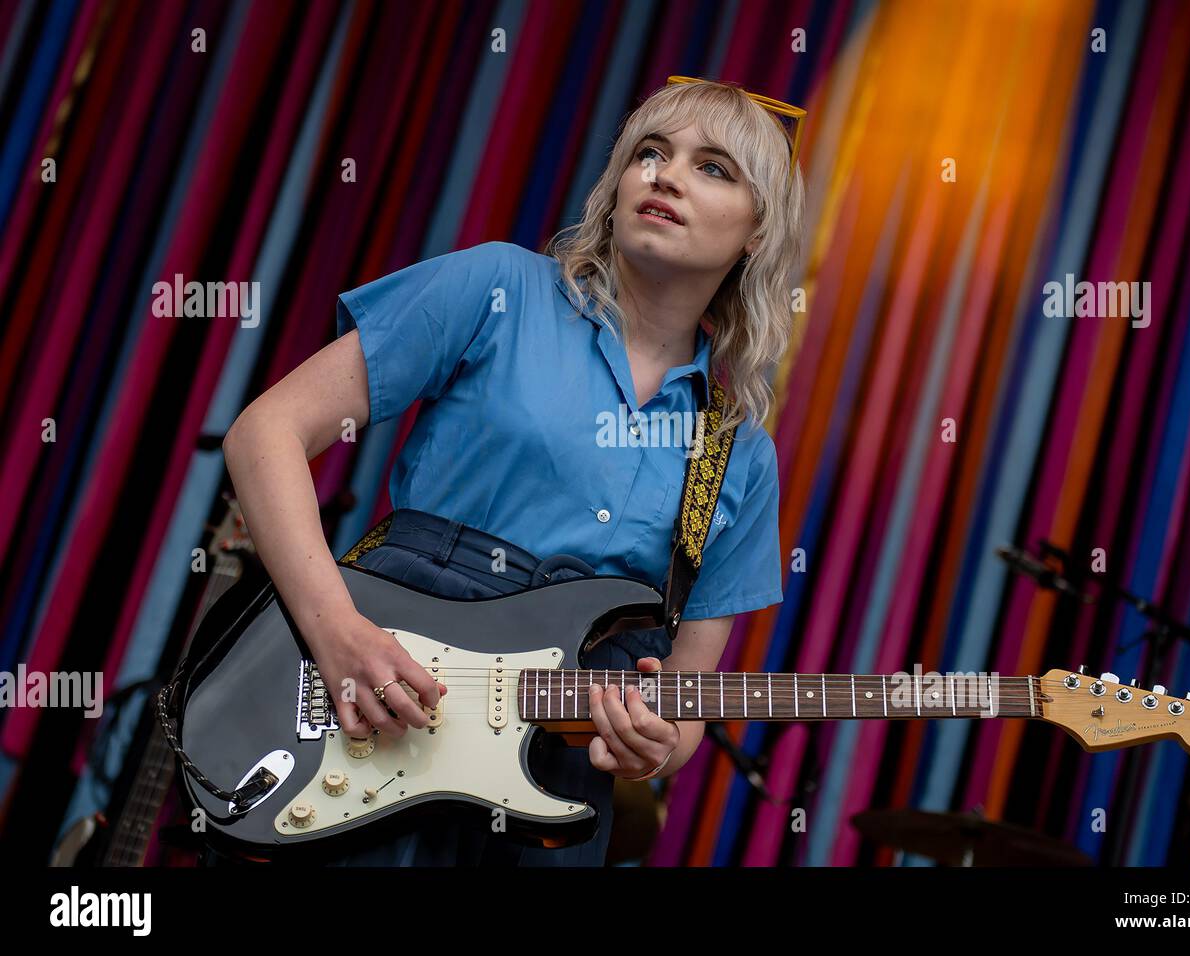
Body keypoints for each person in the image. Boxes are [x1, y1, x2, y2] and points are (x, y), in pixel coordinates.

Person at [219, 77, 806, 865]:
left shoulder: (741, 454)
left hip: (543, 799)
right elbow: (264, 434)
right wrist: (337, 633)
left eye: (713, 168)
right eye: (650, 152)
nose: (665, 175)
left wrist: (653, 743)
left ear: (757, 235)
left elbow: (684, 709)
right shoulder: (496, 288)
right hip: (367, 722)